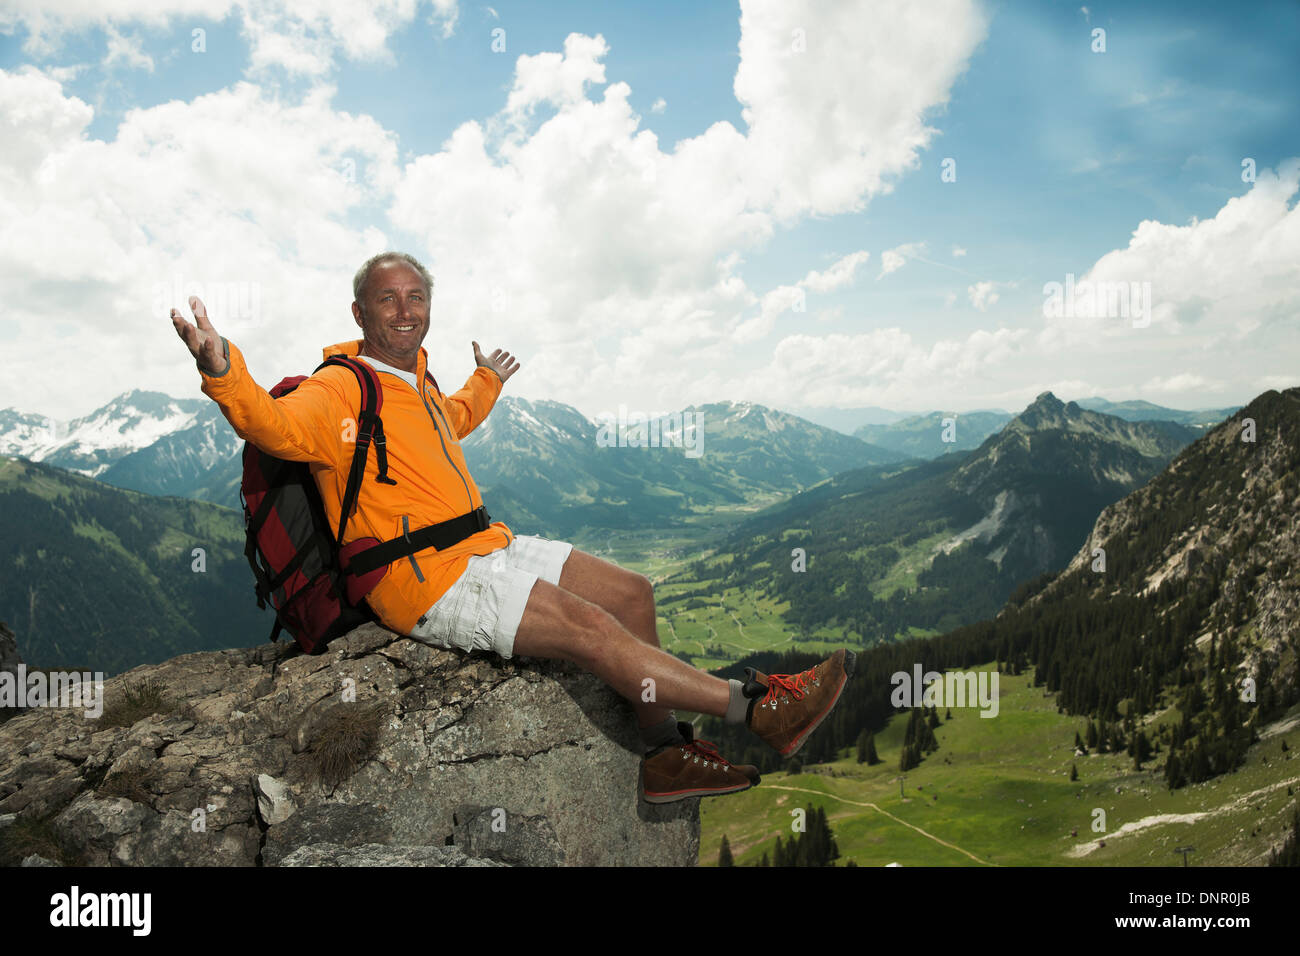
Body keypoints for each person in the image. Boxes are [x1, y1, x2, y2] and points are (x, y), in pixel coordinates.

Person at [171, 250, 855, 803]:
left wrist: (487, 381)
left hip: (481, 545)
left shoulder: (418, 385)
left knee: (632, 594)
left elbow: (453, 420)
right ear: (359, 311)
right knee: (592, 631)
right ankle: (757, 707)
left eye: (416, 297)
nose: (405, 310)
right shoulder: (342, 388)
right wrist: (222, 370)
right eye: (388, 298)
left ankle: (664, 754)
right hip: (419, 577)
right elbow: (275, 425)